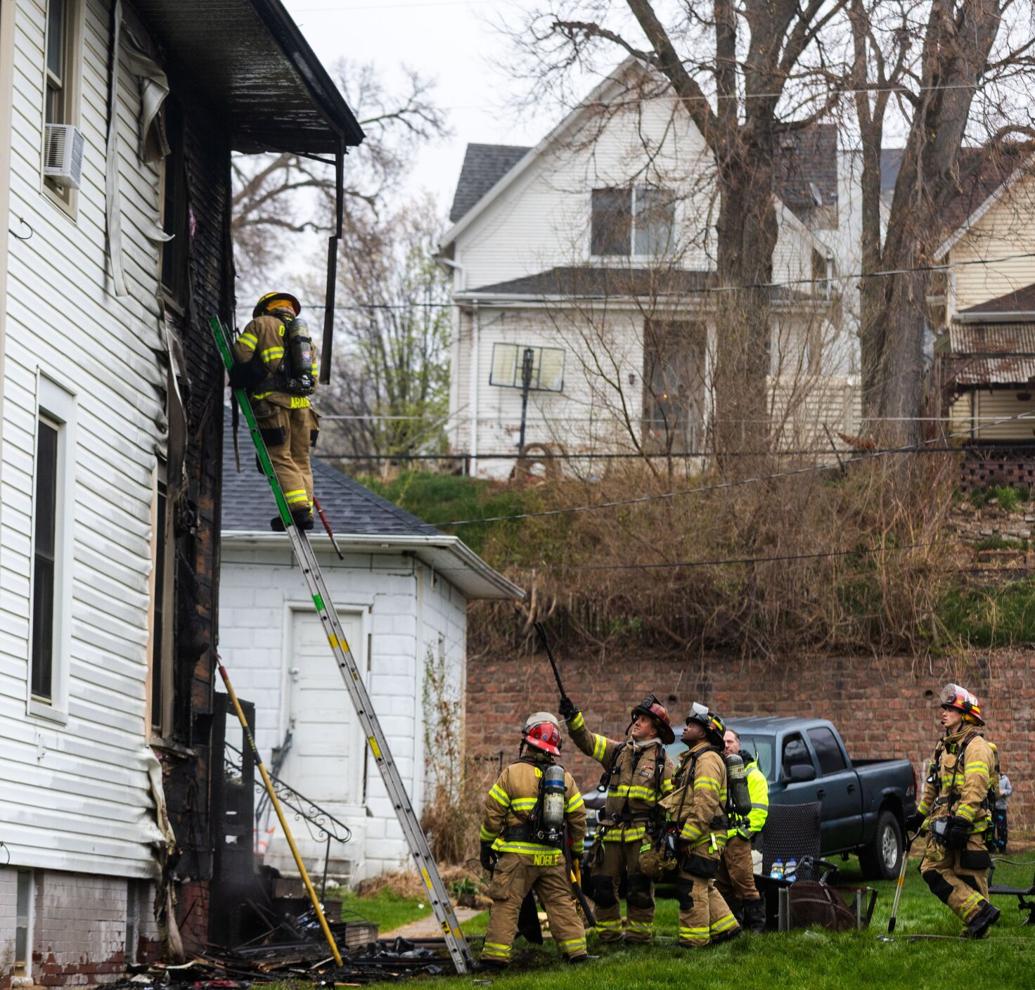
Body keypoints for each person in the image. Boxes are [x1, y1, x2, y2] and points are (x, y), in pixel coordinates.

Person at [561, 693, 675, 943]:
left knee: (639, 889)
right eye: (637, 718)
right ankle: (608, 936)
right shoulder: (618, 753)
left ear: (655, 729)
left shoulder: (662, 763)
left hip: (642, 836)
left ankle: (638, 938)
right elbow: (588, 742)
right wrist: (573, 719)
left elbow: (673, 803)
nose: (636, 723)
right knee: (602, 885)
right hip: (611, 832)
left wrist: (665, 839)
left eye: (643, 720)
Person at [478, 713, 588, 969]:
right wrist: (577, 852)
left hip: (517, 856)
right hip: (552, 856)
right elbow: (579, 818)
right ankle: (576, 952)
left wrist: (486, 845)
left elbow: (492, 814)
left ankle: (495, 957)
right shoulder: (564, 779)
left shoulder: (511, 774)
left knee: (506, 904)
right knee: (561, 903)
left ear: (526, 742)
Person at [905, 683, 1000, 938]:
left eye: (950, 708)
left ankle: (979, 924)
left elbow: (975, 787)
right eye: (944, 708)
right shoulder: (944, 746)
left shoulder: (976, 746)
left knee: (970, 875)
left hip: (971, 825)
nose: (943, 712)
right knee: (931, 868)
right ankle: (980, 914)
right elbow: (934, 786)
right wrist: (920, 815)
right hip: (946, 823)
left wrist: (963, 821)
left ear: (965, 715)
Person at [230, 292, 319, 531]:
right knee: (301, 460)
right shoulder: (306, 340)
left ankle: (297, 509)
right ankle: (304, 510)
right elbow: (314, 380)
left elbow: (240, 355)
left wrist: (253, 371)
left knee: (279, 457)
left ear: (265, 307)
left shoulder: (260, 324)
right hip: (304, 410)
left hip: (272, 405)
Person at [662, 703, 740, 948]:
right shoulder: (696, 758)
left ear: (705, 732)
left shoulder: (707, 760)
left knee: (691, 886)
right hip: (704, 837)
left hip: (702, 838)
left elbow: (704, 803)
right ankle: (727, 929)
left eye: (692, 724)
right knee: (704, 884)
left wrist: (687, 837)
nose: (685, 728)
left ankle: (693, 942)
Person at [717, 728, 769, 933]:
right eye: (723, 742)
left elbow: (760, 812)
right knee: (722, 886)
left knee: (744, 883)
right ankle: (732, 927)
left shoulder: (753, 776)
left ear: (739, 744)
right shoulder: (720, 772)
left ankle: (756, 927)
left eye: (730, 741)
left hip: (737, 838)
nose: (726, 745)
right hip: (720, 838)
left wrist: (742, 835)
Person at [994, 770, 1012, 852]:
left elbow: (1010, 790)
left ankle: (1002, 847)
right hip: (991, 808)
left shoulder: (1005, 779)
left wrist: (1003, 792)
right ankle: (992, 847)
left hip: (1001, 808)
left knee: (1002, 828)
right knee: (991, 828)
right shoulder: (991, 778)